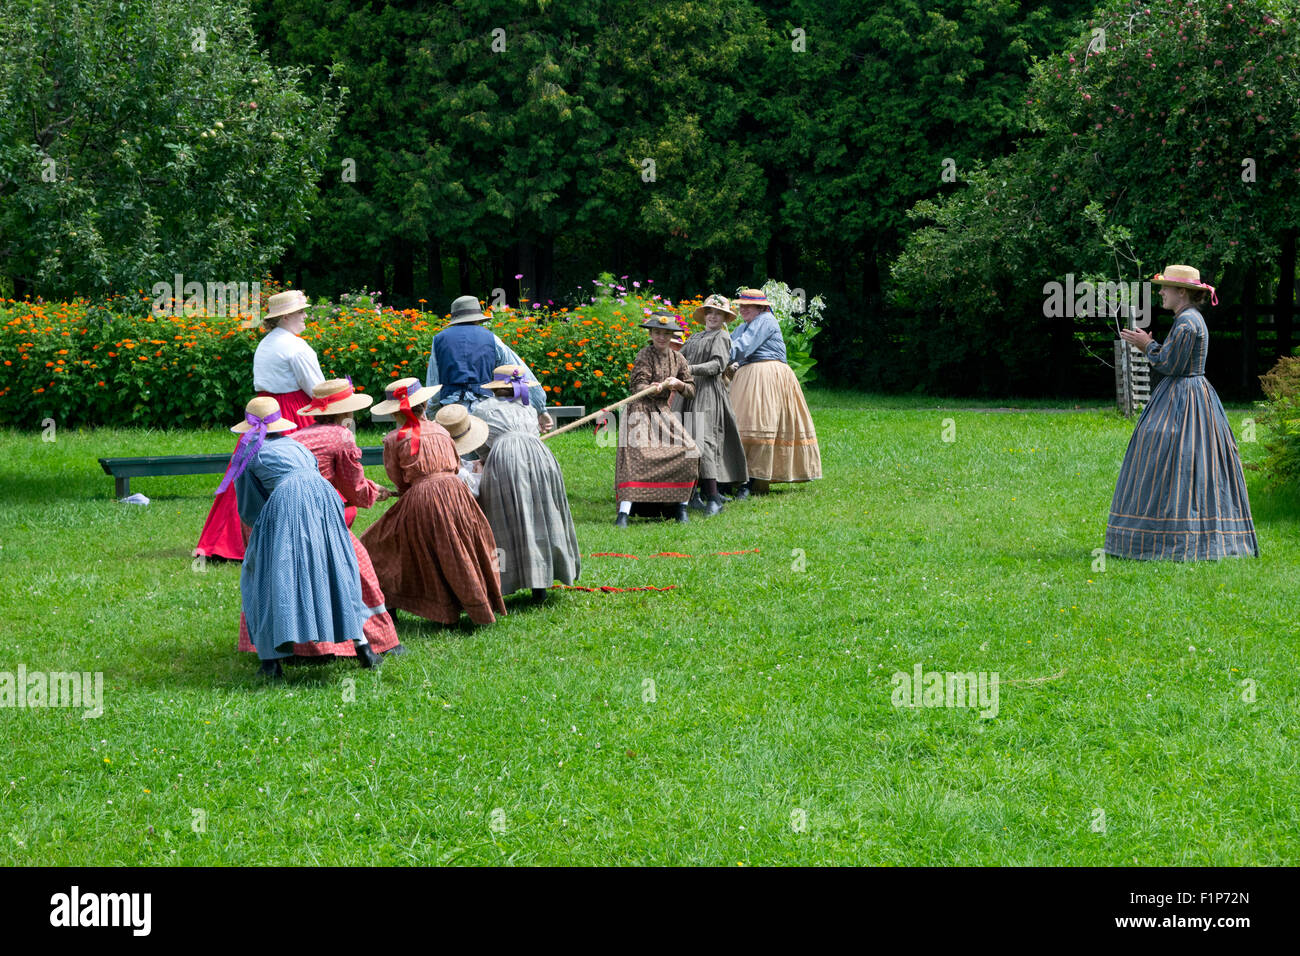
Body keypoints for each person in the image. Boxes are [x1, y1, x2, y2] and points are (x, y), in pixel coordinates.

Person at [238, 378, 402, 660]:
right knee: (353, 569)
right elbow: (354, 486)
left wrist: (264, 530)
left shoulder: (293, 438)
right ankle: (374, 642)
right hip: (320, 509)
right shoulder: (338, 437)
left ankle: (290, 650)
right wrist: (376, 493)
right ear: (345, 413)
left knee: (283, 575)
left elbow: (251, 499)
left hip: (285, 513)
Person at [1105, 265, 1258, 560]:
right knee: (1183, 460)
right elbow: (1173, 359)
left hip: (1185, 398)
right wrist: (1153, 346)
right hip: (1185, 395)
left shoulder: (1188, 322)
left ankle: (1174, 540)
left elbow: (1170, 365)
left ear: (1182, 292)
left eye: (1166, 288)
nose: (1161, 292)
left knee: (1177, 459)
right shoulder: (1187, 319)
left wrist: (1146, 344)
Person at [360, 378, 507, 625]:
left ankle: (395, 603)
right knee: (460, 545)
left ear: (395, 412)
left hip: (422, 497)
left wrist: (411, 490)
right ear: (426, 403)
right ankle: (476, 602)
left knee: (379, 543)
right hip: (457, 494)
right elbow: (455, 464)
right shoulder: (442, 430)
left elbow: (400, 481)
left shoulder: (393, 439)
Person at [196, 289, 324, 560]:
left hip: (263, 413)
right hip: (292, 413)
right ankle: (302, 535)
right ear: (287, 315)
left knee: (247, 473)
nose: (305, 317)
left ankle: (227, 541)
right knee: (297, 472)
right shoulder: (296, 347)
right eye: (301, 312)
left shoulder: (266, 344)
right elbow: (316, 390)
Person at [452, 367, 581, 599]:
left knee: (502, 517)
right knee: (539, 514)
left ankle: (502, 582)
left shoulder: (482, 409)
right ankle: (539, 583)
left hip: (504, 459)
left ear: (496, 388)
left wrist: (483, 460)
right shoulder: (528, 407)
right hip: (540, 459)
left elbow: (480, 444)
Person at [726, 288, 822, 494]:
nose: (743, 309)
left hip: (767, 377)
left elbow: (741, 347)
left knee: (758, 428)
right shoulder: (745, 326)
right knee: (741, 428)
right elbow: (729, 344)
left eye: (748, 305)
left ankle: (753, 480)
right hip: (748, 379)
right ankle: (737, 479)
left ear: (760, 307)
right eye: (741, 305)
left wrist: (716, 357)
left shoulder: (766, 320)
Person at [614, 312, 699, 526]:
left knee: (690, 451)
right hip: (639, 411)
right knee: (637, 456)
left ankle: (680, 508)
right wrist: (651, 388)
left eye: (666, 334)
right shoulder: (645, 355)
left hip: (663, 412)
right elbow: (636, 386)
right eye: (658, 333)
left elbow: (690, 389)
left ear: (672, 336)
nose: (662, 337)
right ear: (651, 334)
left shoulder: (679, 358)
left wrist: (678, 385)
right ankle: (624, 513)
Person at [424, 296, 555, 432]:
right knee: (486, 450)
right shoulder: (491, 338)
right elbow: (518, 372)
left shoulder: (439, 340)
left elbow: (434, 382)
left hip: (452, 412)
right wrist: (540, 409)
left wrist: (432, 414)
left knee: (459, 450)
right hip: (485, 409)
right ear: (478, 318)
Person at [672, 295, 749, 515]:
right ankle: (694, 495)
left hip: (707, 393)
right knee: (685, 441)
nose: (713, 316)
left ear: (724, 318)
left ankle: (714, 498)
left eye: (718, 313)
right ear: (704, 315)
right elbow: (678, 359)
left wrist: (689, 370)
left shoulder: (722, 337)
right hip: (686, 393)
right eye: (710, 312)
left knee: (703, 442)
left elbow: (717, 365)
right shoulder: (695, 337)